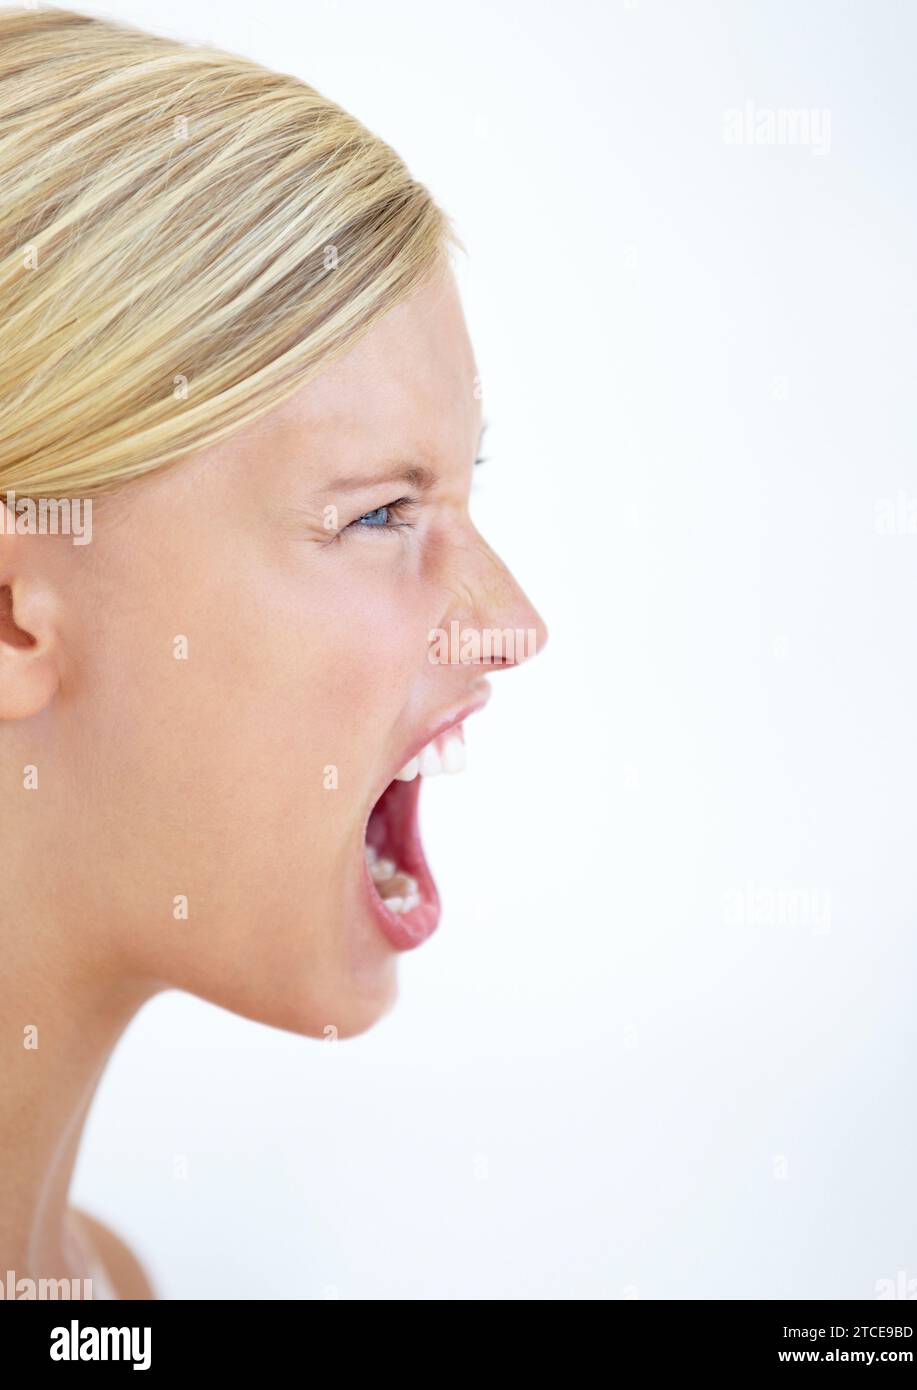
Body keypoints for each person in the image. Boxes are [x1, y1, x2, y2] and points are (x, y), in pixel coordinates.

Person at [0, 7, 547, 1299]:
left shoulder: (104, 1293)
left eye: (460, 491)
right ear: (15, 615)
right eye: (376, 513)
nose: (512, 621)